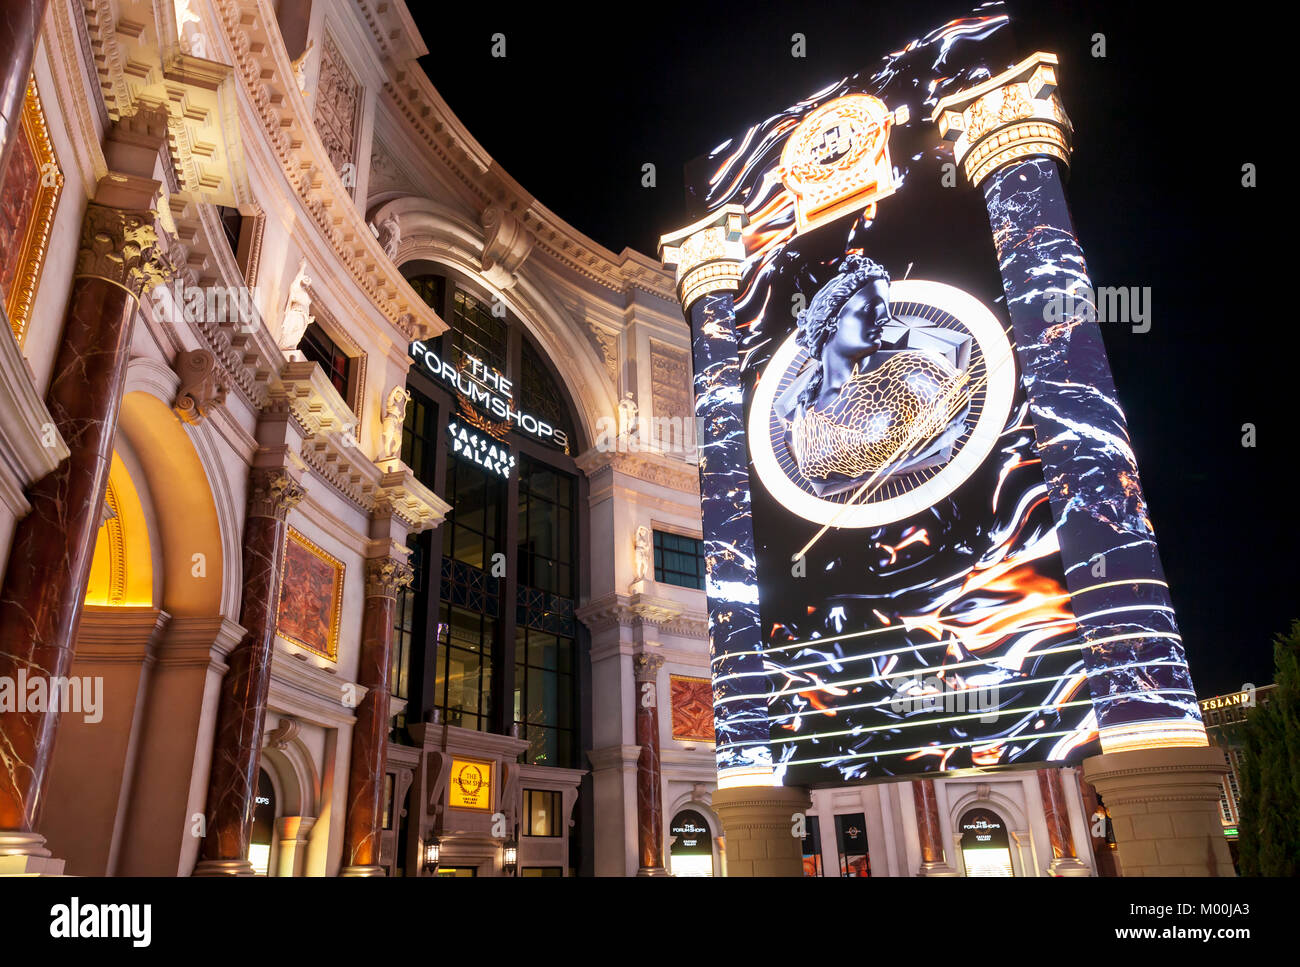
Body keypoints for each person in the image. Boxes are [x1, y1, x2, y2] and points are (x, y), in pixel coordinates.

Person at [776, 255, 969, 493]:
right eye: (871, 308)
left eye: (885, 308)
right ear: (831, 320)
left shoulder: (922, 373)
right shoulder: (801, 426)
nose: (885, 317)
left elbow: (952, 418)